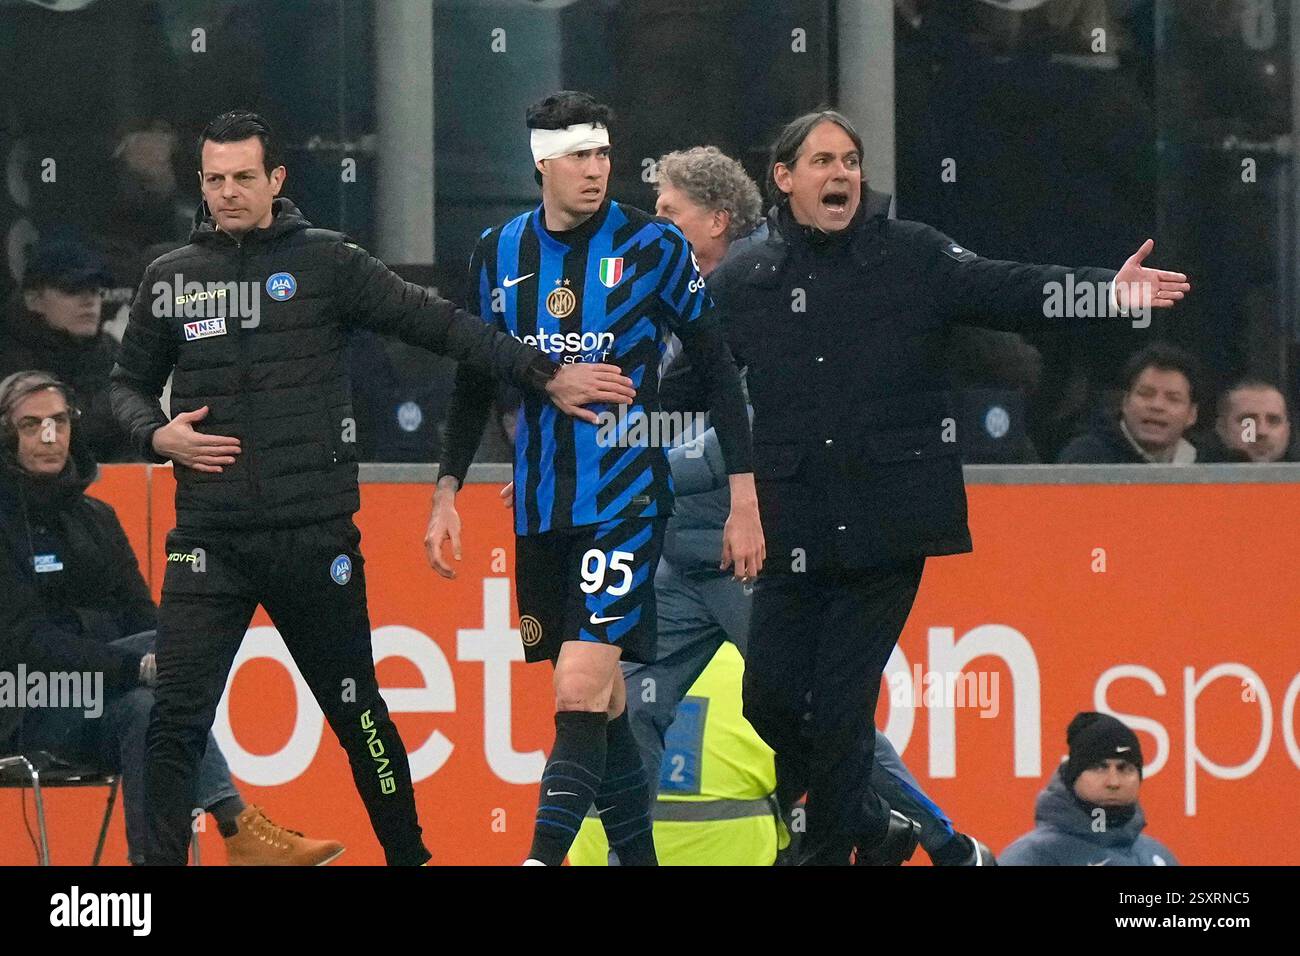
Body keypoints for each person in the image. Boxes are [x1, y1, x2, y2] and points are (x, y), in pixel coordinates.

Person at [108, 110, 633, 866]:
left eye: (243, 178)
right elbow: (125, 388)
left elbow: (444, 327)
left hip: (314, 537)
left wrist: (546, 374)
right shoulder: (171, 276)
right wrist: (155, 435)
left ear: (276, 180)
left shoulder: (328, 263)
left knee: (360, 718)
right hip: (209, 541)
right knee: (174, 722)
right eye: (214, 180)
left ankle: (409, 861)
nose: (227, 193)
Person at [710, 108, 1189, 865]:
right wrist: (597, 440)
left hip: (888, 524)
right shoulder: (745, 275)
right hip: (791, 520)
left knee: (839, 712)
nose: (841, 175)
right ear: (784, 177)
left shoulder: (913, 255)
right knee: (767, 701)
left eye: (851, 161)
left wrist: (1107, 292)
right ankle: (876, 826)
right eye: (823, 162)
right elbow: (688, 383)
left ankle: (827, 853)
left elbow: (1011, 288)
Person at [609, 144, 992, 865]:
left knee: (823, 720)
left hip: (755, 558)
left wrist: (640, 464)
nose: (651, 224)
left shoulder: (768, 295)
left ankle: (945, 846)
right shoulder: (665, 300)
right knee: (625, 706)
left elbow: (756, 440)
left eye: (668, 211)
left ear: (716, 221)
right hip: (679, 560)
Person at [427, 91, 763, 868]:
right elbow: (474, 379)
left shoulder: (653, 247)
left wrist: (744, 497)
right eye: (579, 154)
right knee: (607, 710)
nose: (596, 169)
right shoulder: (496, 252)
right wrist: (448, 489)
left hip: (627, 503)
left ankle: (539, 859)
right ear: (541, 161)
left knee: (577, 690)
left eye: (604, 153)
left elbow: (716, 371)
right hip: (543, 508)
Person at [0, 370, 343, 865]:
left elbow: (140, 612)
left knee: (153, 710)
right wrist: (136, 665)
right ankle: (238, 826)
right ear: (7, 436)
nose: (49, 437)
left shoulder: (97, 519)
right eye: (32, 425)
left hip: (105, 702)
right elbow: (26, 642)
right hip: (31, 704)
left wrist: (160, 654)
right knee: (164, 673)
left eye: (58, 421)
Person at [0, 240, 134, 462]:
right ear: (33, 299)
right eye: (72, 289)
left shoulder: (115, 356)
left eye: (94, 290)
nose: (89, 300)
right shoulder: (8, 361)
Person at [1000, 712, 1178, 866]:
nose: (1113, 782)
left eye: (1124, 768)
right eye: (1099, 767)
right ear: (1073, 776)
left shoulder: (1158, 856)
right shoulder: (1032, 857)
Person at [1057, 342, 1201, 464]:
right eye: (1145, 394)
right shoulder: (1085, 458)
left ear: (1192, 415)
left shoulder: (1209, 462)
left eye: (1173, 399)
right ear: (1125, 403)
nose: (1157, 406)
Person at [1199, 379, 1297, 463]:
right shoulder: (1191, 480)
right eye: (1247, 421)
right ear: (1222, 428)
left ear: (1287, 430)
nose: (1261, 431)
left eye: (1273, 421)